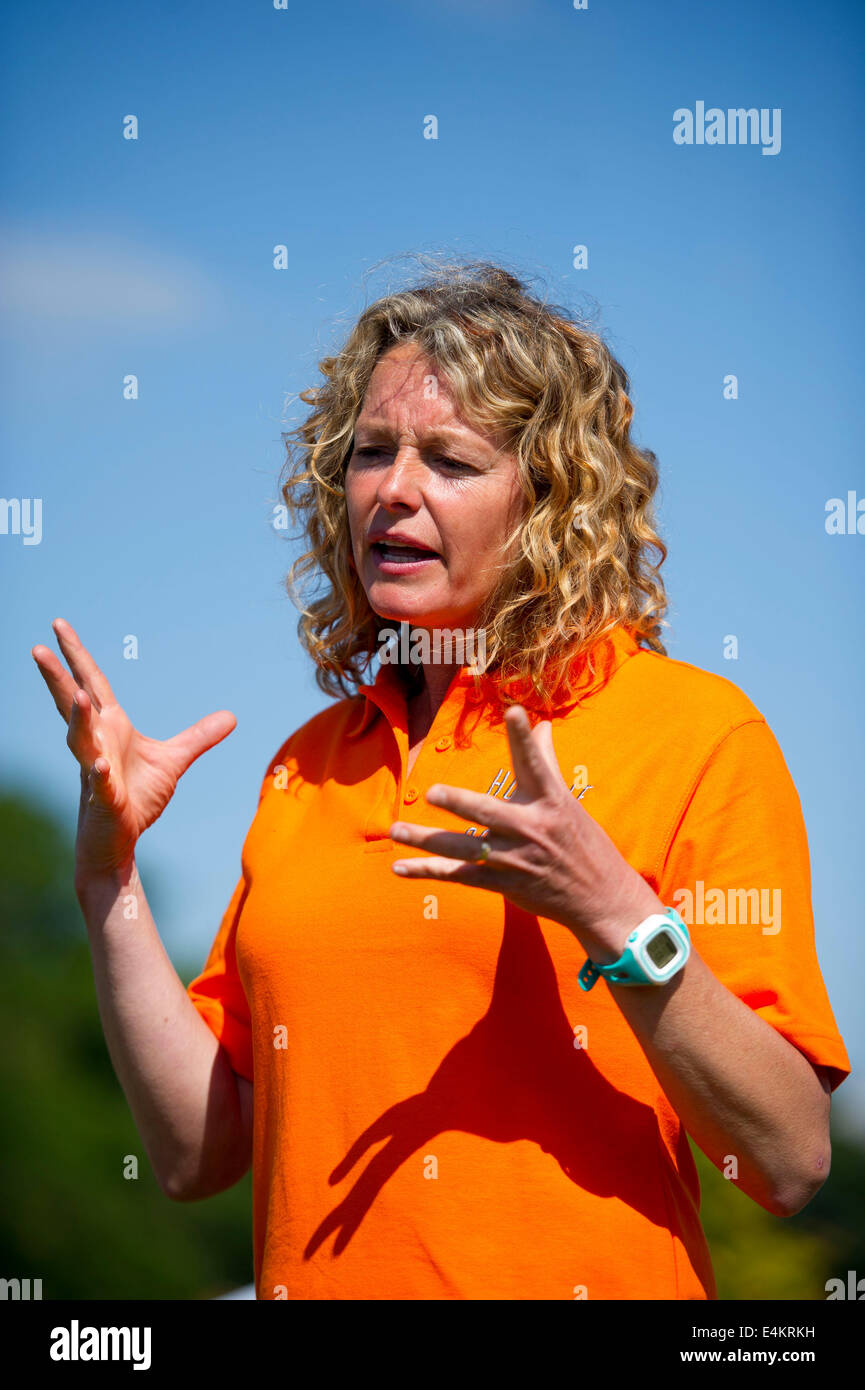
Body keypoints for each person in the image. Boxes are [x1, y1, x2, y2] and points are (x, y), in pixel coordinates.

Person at [32, 261, 851, 1301]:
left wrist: (609, 909)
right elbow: (201, 1155)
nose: (393, 489)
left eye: (449, 459)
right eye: (370, 453)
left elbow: (784, 1159)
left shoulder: (693, 731)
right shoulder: (306, 764)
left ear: (551, 499)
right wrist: (111, 881)